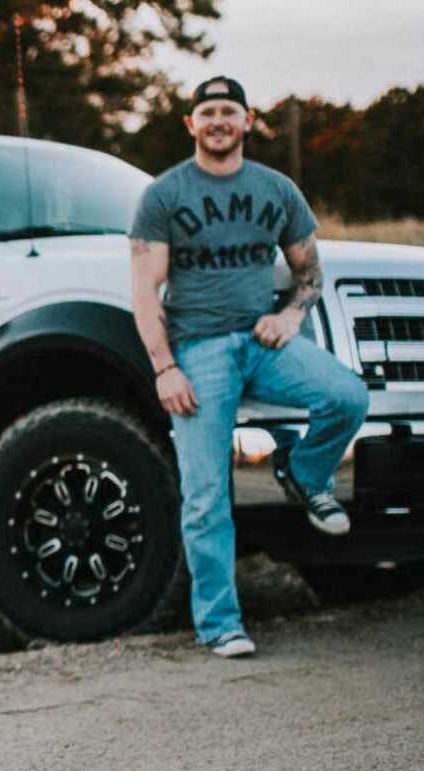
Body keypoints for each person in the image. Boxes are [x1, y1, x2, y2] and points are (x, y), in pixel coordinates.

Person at [129, 76, 369, 659]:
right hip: (199, 350)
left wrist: (290, 317)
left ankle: (305, 476)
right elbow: (143, 288)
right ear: (191, 123)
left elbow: (310, 271)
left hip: (264, 341)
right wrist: (165, 368)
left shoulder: (276, 189)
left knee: (348, 397)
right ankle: (220, 625)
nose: (218, 121)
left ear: (247, 120)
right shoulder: (164, 195)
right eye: (207, 111)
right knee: (207, 492)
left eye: (228, 111)